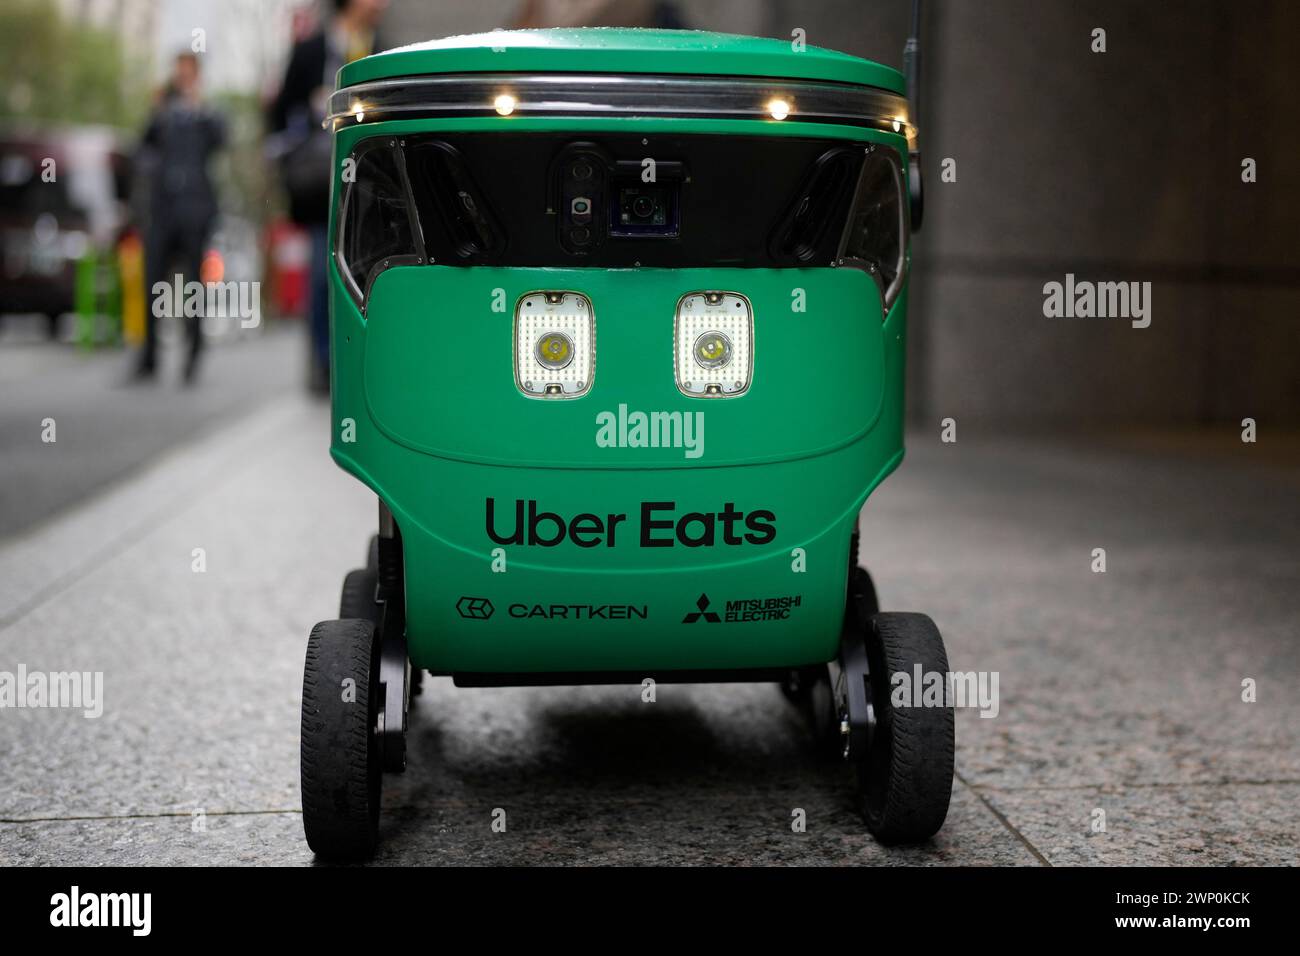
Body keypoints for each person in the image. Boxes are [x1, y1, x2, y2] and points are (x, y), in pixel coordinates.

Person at [269, 0, 389, 395]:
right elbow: (278, 112)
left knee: (370, 271)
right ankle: (324, 364)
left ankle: (360, 362)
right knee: (324, 274)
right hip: (320, 183)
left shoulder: (379, 45)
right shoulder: (311, 49)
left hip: (369, 183)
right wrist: (311, 109)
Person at [134, 52, 225, 384]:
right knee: (152, 280)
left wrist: (199, 106)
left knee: (192, 287)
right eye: (178, 74)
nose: (182, 79)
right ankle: (148, 358)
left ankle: (193, 355)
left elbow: (221, 139)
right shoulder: (163, 115)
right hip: (162, 212)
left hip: (195, 213)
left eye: (188, 74)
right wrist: (157, 109)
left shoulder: (206, 115)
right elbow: (142, 146)